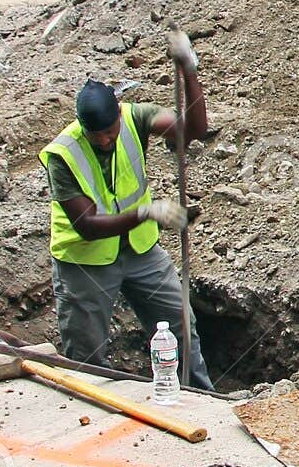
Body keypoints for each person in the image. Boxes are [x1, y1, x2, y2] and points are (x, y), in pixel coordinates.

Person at [40, 49, 213, 386]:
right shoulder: (63, 155)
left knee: (179, 323)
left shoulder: (135, 118)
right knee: (87, 353)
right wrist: (147, 212)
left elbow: (194, 128)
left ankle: (198, 397)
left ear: (118, 113)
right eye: (96, 135)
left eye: (110, 130)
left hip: (140, 250)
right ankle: (95, 408)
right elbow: (87, 226)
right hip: (85, 260)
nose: (106, 140)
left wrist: (189, 70)